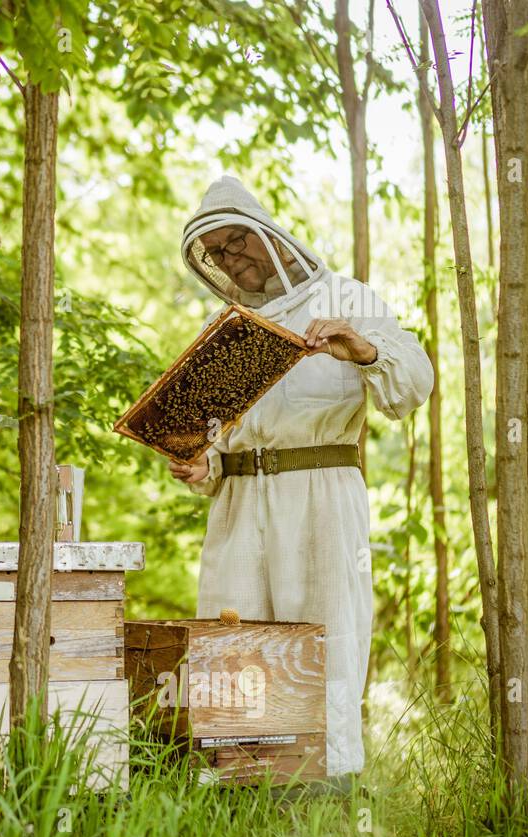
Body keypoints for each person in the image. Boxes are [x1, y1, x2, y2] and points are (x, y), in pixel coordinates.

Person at [169, 175, 434, 791]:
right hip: (237, 508)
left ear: (267, 234)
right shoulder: (225, 327)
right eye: (219, 254)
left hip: (322, 499)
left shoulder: (347, 297)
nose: (233, 260)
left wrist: (362, 349)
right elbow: (216, 440)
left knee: (326, 634)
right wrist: (200, 465)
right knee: (234, 643)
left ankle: (327, 791)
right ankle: (238, 793)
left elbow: (413, 385)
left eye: (238, 243)